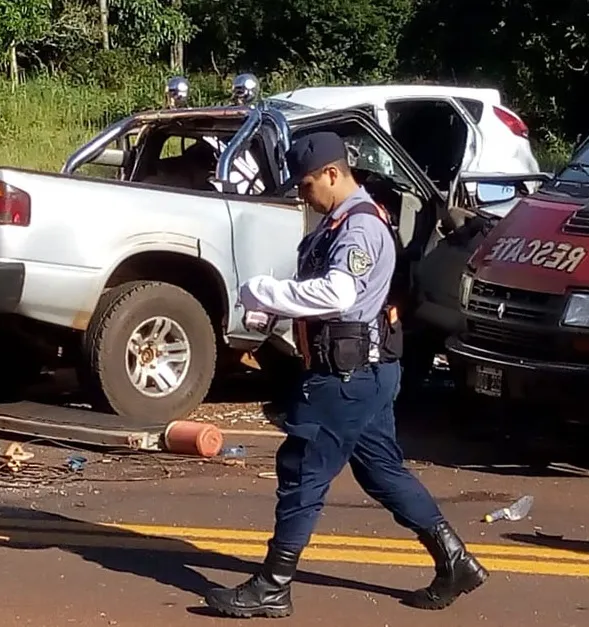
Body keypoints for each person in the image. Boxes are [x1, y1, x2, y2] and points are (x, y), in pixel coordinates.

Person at [203, 132, 488, 619]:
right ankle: (455, 560)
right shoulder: (340, 223)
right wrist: (275, 310)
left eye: (307, 184)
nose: (303, 194)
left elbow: (338, 295)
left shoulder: (358, 227)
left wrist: (264, 292)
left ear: (333, 174)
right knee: (382, 471)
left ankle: (273, 585)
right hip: (367, 372)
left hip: (346, 377)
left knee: (303, 471)